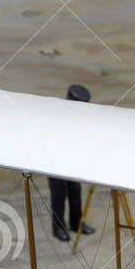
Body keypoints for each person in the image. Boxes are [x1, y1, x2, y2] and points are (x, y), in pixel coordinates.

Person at [48, 84, 92, 241]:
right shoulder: (56, 116)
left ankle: (76, 223)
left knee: (75, 192)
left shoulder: (80, 118)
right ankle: (58, 228)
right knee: (59, 195)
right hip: (54, 160)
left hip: (72, 160)